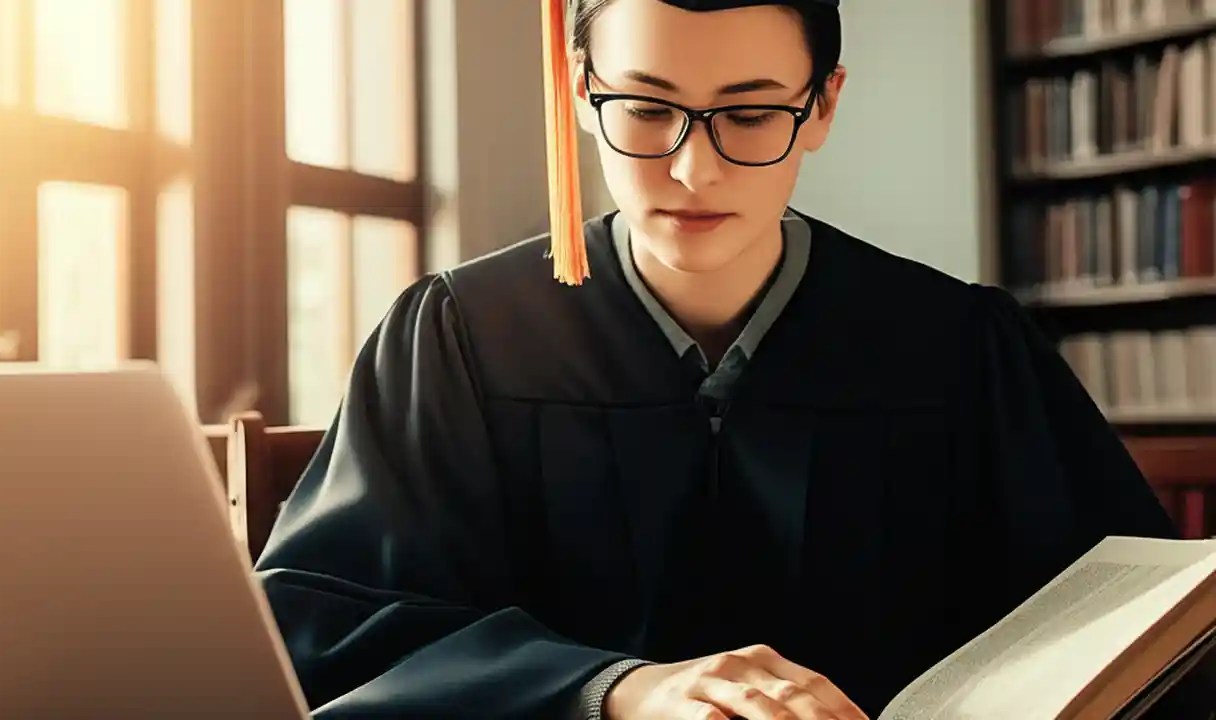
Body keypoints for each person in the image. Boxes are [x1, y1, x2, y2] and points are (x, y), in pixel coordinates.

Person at [252, 1, 1194, 718]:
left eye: (749, 116)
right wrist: (614, 690)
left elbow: (1127, 617)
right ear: (579, 90)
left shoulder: (956, 345)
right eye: (645, 108)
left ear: (822, 105)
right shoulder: (459, 338)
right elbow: (315, 629)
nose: (693, 171)